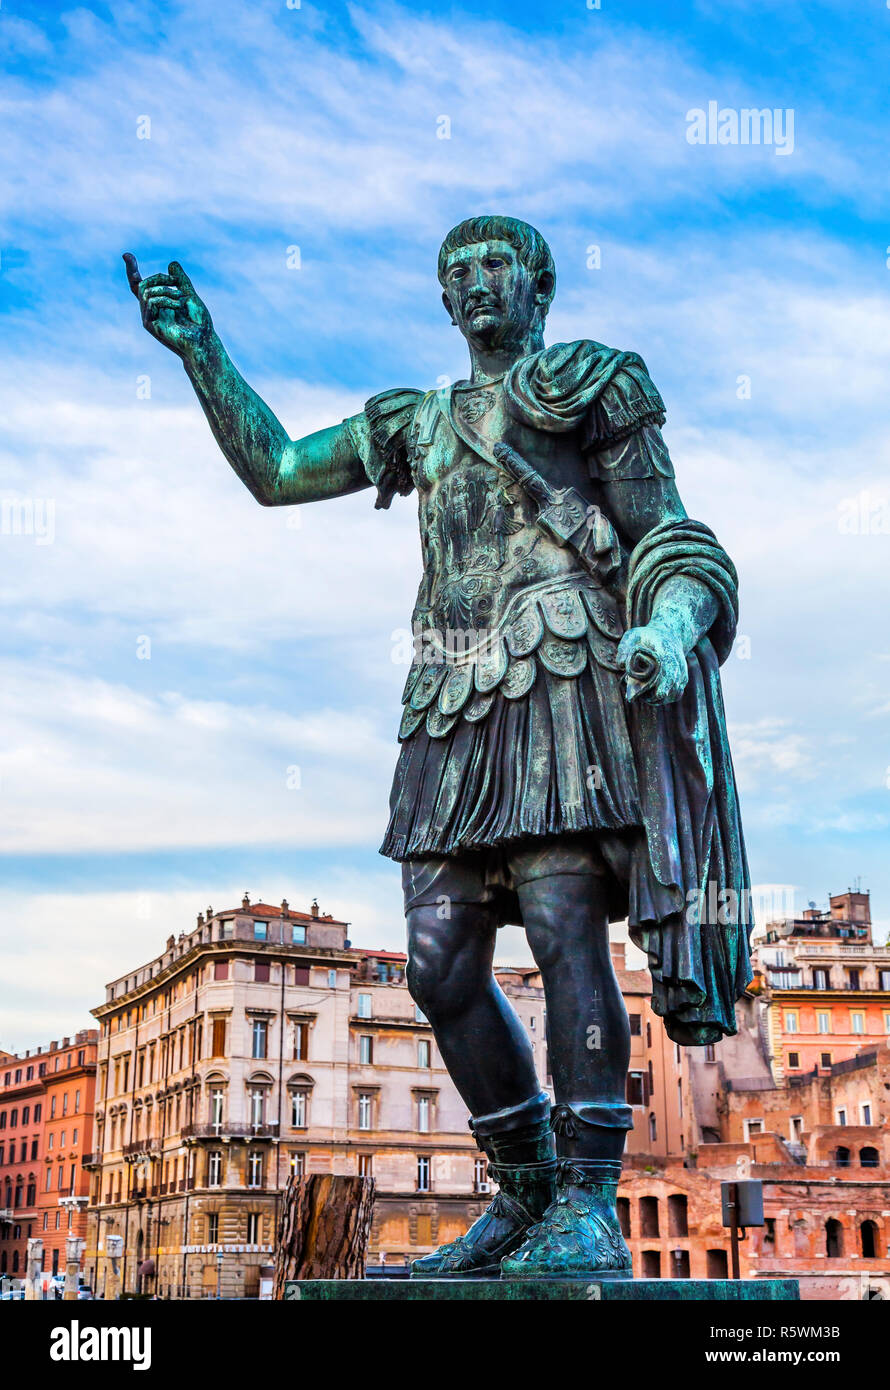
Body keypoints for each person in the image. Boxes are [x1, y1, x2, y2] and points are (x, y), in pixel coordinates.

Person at [124, 216, 751, 1279]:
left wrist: (669, 624)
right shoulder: (417, 420)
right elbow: (277, 469)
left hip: (558, 668)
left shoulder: (592, 383)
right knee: (435, 959)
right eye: (452, 271)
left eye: (492, 263)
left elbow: (669, 537)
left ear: (538, 282)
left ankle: (588, 1201)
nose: (472, 283)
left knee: (560, 923)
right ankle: (522, 1190)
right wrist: (203, 353)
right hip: (449, 694)